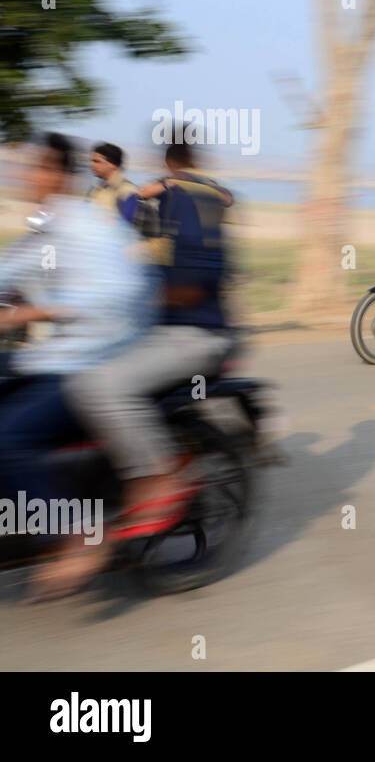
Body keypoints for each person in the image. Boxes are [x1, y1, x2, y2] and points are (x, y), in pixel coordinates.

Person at [64, 135, 239, 554]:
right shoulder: (180, 195)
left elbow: (191, 284)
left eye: (98, 161)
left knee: (100, 386)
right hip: (162, 324)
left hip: (194, 331)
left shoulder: (183, 198)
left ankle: (160, 483)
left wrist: (130, 297)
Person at [0, 134, 154, 598]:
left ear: (62, 175)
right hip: (48, 355)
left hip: (88, 360)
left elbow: (119, 293)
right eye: (26, 166)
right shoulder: (44, 226)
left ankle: (78, 535)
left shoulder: (89, 226)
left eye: (38, 167)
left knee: (7, 439)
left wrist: (35, 311)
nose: (26, 175)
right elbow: (8, 274)